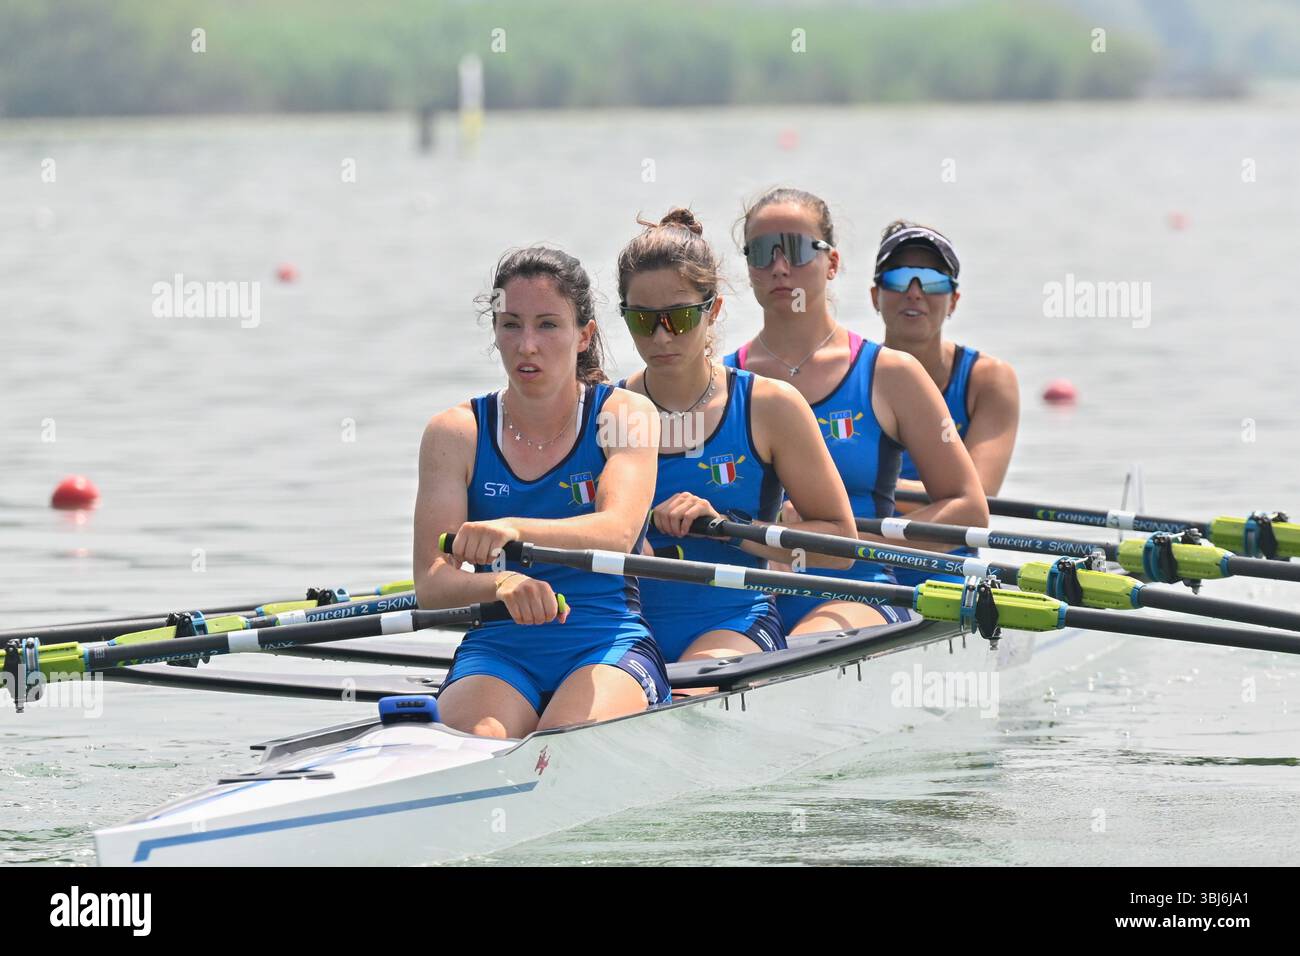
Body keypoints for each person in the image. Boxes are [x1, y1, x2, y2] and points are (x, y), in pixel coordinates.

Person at [413, 246, 670, 739]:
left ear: (584, 336)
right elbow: (432, 581)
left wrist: (512, 529)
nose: (527, 345)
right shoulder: (455, 433)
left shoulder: (624, 415)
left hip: (605, 642)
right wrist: (501, 585)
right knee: (475, 745)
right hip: (500, 647)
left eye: (548, 325)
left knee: (564, 743)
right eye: (511, 325)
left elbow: (617, 532)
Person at [724, 188, 989, 635]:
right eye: (762, 253)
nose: (780, 267)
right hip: (749, 598)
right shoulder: (723, 381)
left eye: (796, 249)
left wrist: (850, 541)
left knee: (801, 648)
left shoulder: (891, 374)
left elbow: (968, 509)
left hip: (857, 594)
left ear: (832, 263)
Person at [615, 208, 857, 667]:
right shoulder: (607, 410)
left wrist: (728, 529)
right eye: (643, 320)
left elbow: (840, 547)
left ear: (714, 310)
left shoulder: (771, 407)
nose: (662, 337)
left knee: (696, 689)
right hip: (622, 628)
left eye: (680, 318)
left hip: (735, 621)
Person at [870, 220, 1020, 586]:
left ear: (953, 301)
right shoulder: (841, 373)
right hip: (854, 558)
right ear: (876, 296)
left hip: (946, 565)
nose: (915, 293)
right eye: (900, 278)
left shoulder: (988, 381)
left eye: (933, 280)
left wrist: (860, 491)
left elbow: (975, 503)